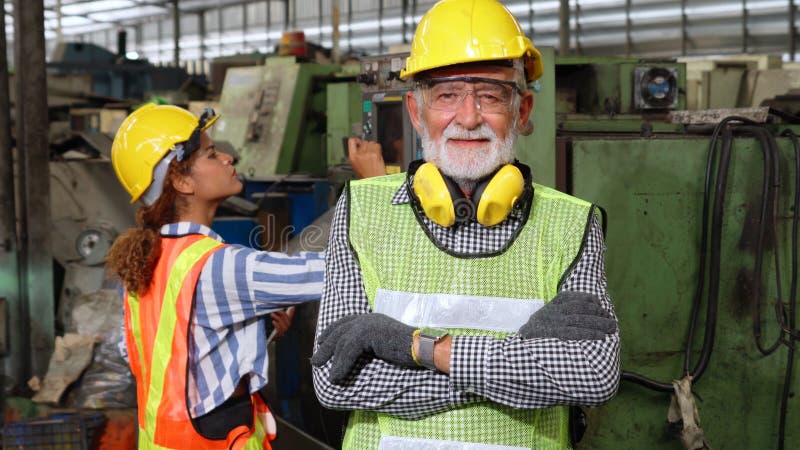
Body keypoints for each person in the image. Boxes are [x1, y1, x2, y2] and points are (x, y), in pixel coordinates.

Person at [310, 0, 621, 449]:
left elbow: (592, 374)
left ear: (523, 110)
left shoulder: (570, 223)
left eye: (491, 95)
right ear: (418, 113)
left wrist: (424, 350)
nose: (470, 117)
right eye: (447, 95)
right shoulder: (362, 209)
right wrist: (518, 356)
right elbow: (335, 381)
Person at [105, 103, 326, 449]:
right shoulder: (217, 266)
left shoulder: (147, 261)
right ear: (179, 180)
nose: (227, 158)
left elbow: (147, 350)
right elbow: (329, 274)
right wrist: (374, 182)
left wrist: (249, 329)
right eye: (210, 154)